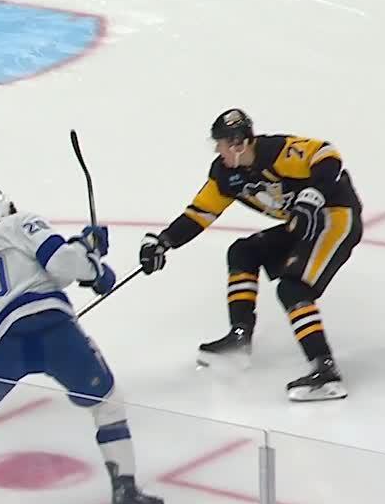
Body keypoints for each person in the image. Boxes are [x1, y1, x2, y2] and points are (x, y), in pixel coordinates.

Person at [0, 188, 165, 504]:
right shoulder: (22, 222)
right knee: (107, 403)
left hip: (1, 341)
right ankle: (126, 495)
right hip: (51, 330)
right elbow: (59, 263)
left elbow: (47, 273)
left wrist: (84, 252)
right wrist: (90, 259)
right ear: (11, 209)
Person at [138, 109, 363, 401]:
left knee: (293, 288)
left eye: (219, 144)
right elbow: (200, 213)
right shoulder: (226, 175)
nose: (217, 150)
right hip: (303, 224)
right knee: (243, 252)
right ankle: (239, 340)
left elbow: (327, 155)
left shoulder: (275, 152)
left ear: (238, 144)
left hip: (336, 218)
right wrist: (163, 242)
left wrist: (314, 195)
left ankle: (326, 371)